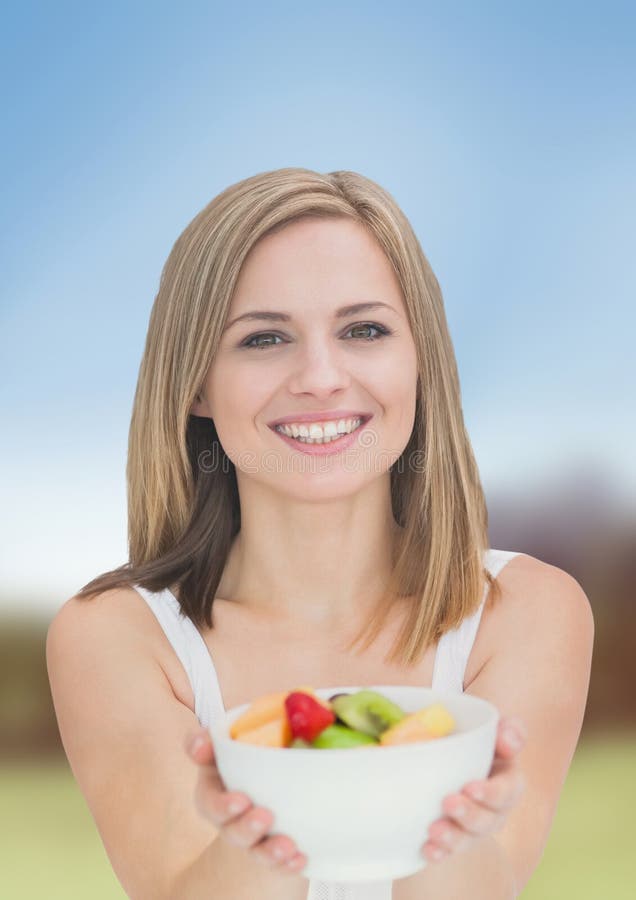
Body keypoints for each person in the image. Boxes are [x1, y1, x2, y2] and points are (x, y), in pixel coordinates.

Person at [46, 168, 594, 900]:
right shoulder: (114, 639)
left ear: (420, 360)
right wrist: (253, 851)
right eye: (264, 337)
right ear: (196, 384)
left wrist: (459, 840)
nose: (321, 377)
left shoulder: (528, 614)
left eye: (363, 329)